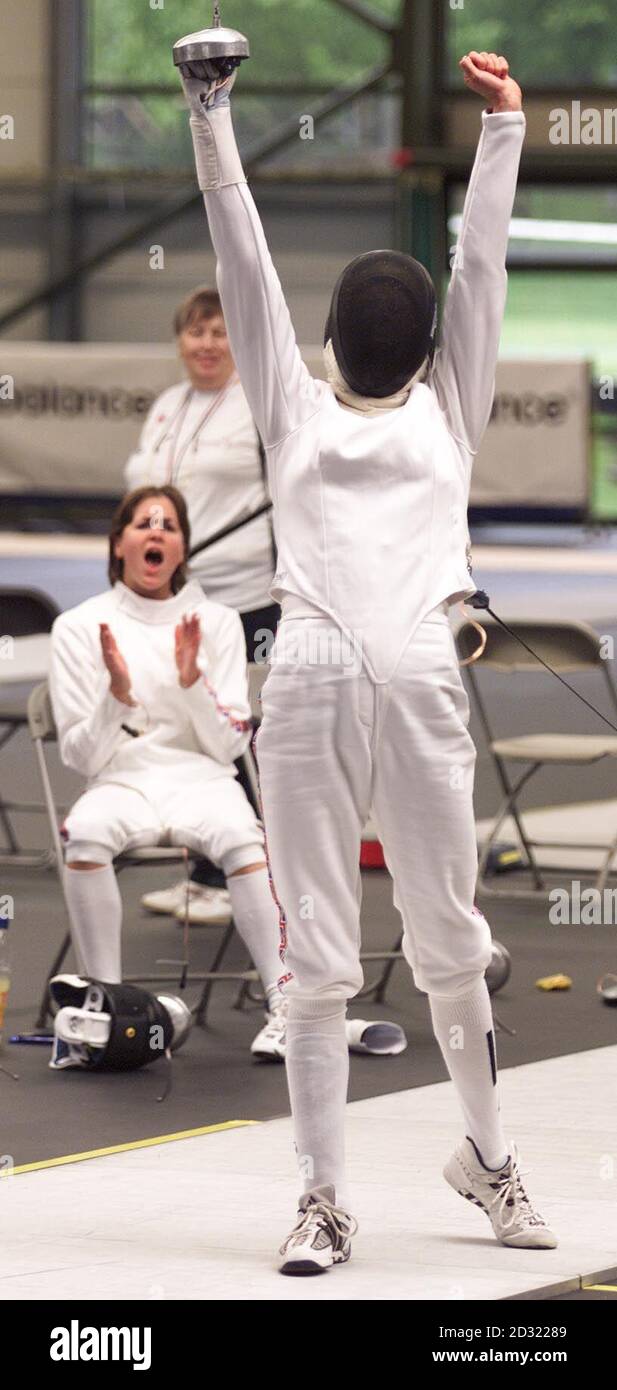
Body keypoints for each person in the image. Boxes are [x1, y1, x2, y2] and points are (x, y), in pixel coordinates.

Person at [178, 48, 558, 1273]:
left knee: (447, 939)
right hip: (306, 694)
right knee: (313, 960)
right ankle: (322, 1194)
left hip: (409, 693)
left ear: (344, 333)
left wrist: (503, 135)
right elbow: (249, 262)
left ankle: (486, 1157)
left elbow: (476, 268)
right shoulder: (295, 405)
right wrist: (211, 113)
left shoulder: (443, 405)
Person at [49, 485, 286, 1062]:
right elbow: (82, 758)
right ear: (119, 543)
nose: (156, 532)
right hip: (121, 780)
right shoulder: (80, 627)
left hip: (202, 779)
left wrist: (191, 683)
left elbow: (231, 743)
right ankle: (107, 1002)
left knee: (240, 834)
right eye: (143, 523)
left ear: (181, 547)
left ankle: (288, 1007)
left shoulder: (219, 622)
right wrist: (116, 697)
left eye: (169, 525)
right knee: (85, 833)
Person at [125, 289, 279, 927]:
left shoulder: (260, 411)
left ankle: (245, 874)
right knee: (186, 729)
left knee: (237, 733)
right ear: (180, 341)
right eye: (196, 333)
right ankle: (204, 864)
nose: (207, 344)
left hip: (245, 602)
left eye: (220, 332)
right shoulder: (165, 408)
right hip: (174, 601)